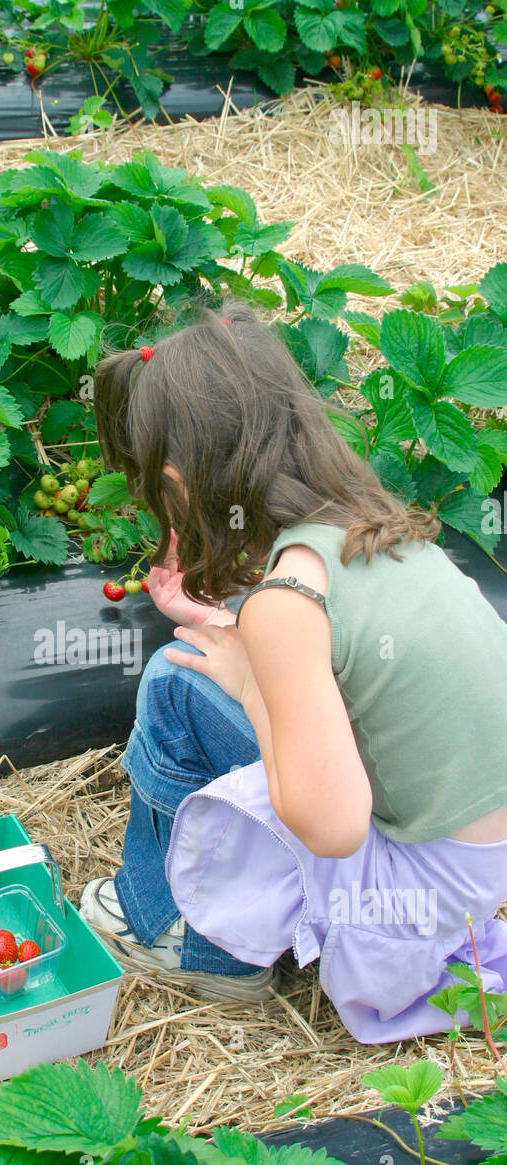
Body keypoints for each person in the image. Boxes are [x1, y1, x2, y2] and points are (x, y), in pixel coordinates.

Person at [79, 301, 507, 1043]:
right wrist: (224, 622)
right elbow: (330, 666)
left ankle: (179, 937)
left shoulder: (286, 603)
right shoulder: (370, 526)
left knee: (178, 681)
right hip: (473, 871)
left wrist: (246, 680)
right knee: (207, 654)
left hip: (406, 907)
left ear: (177, 482)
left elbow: (332, 826)